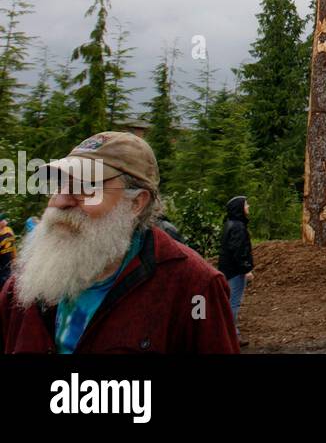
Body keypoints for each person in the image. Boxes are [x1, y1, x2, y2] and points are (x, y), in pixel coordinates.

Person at [0, 131, 239, 353]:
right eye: (60, 185)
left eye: (87, 187)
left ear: (136, 203)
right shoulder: (25, 286)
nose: (60, 200)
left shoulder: (195, 289)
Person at [218, 196, 254, 337]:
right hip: (234, 272)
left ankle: (229, 332)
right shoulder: (238, 227)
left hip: (228, 270)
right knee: (233, 303)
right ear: (239, 208)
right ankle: (231, 335)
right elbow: (238, 251)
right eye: (246, 204)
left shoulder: (231, 224)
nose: (248, 206)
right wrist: (246, 269)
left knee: (230, 301)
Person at [0, 215, 15, 289]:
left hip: (8, 262)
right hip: (1, 264)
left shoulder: (9, 230)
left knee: (7, 281)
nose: (5, 221)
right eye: (2, 220)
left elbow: (13, 245)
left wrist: (14, 257)